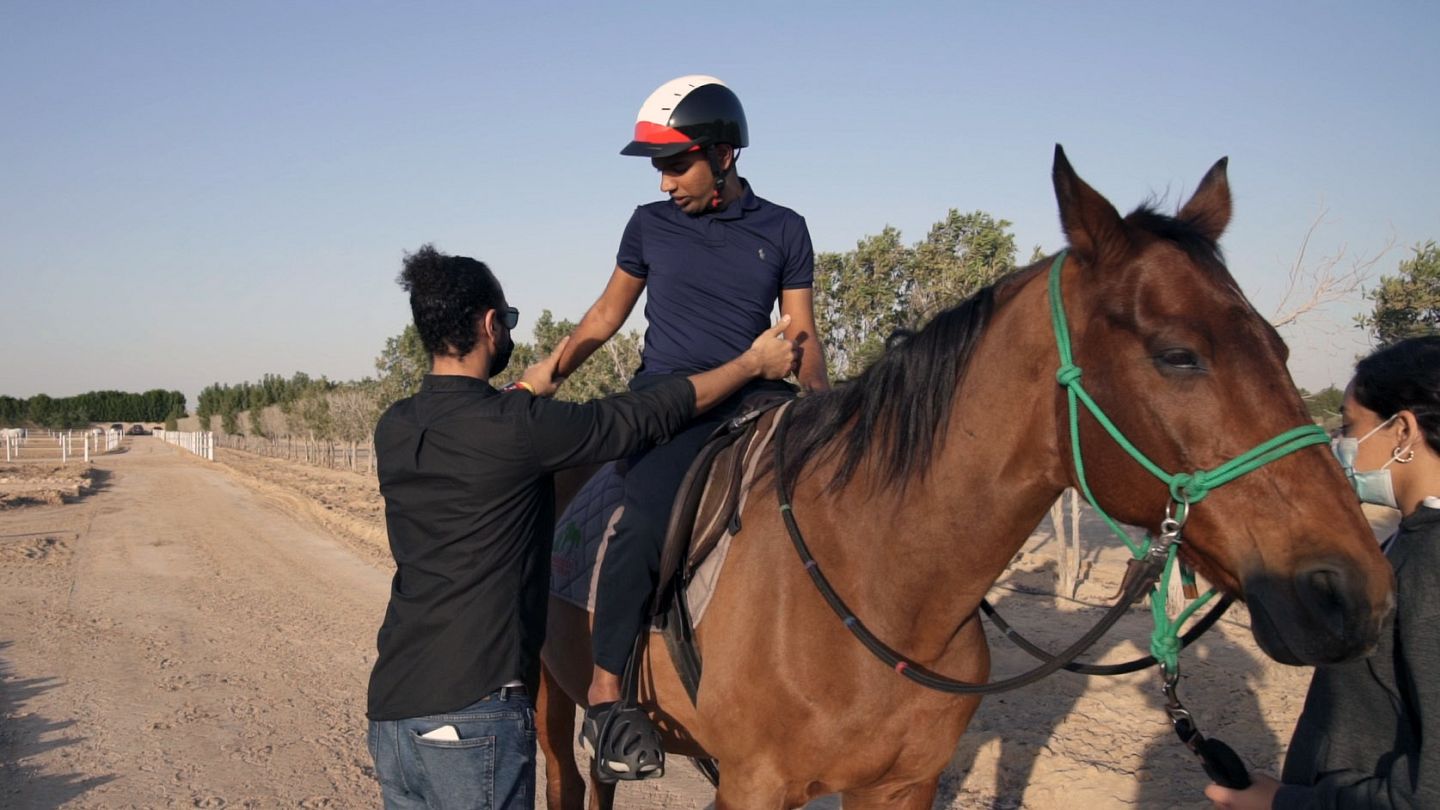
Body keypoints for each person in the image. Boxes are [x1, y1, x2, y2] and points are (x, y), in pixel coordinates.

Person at [365, 244, 798, 809]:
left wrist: (525, 392)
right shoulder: (519, 431)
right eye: (510, 320)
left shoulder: (394, 428)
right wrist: (750, 366)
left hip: (394, 714)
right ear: (490, 324)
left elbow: (480, 422)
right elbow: (643, 417)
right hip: (473, 717)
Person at [552, 74, 830, 781]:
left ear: (725, 155)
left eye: (677, 164)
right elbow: (605, 316)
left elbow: (801, 334)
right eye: (658, 167)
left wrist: (829, 416)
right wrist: (545, 376)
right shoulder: (649, 225)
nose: (665, 180)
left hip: (758, 401)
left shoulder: (785, 228)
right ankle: (610, 697)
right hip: (670, 406)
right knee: (642, 520)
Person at [1205, 335, 1440, 809]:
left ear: (1402, 431)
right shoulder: (1412, 537)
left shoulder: (1434, 561)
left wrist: (1285, 804)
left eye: (1350, 427)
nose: (1340, 445)